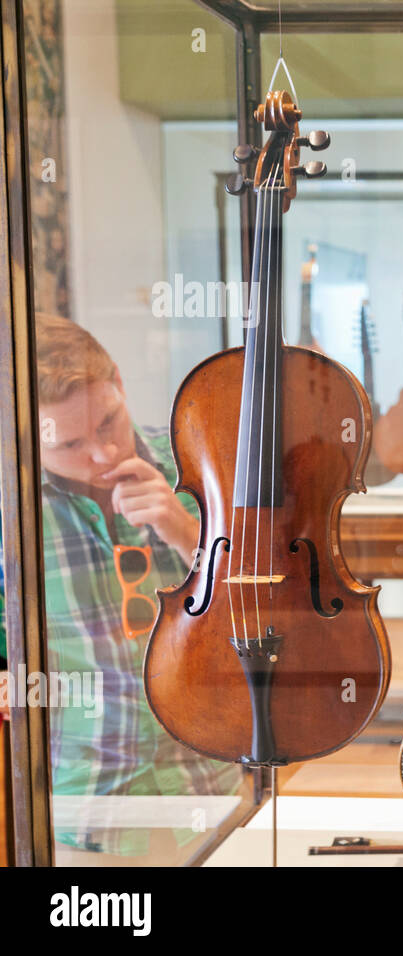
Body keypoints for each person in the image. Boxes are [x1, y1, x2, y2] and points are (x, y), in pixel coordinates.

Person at [32, 313, 242, 864]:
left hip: (212, 785)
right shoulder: (14, 510)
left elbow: (266, 616)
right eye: (71, 443)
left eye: (108, 423)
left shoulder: (200, 465)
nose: (102, 455)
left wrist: (184, 531)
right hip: (83, 802)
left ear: (120, 384)